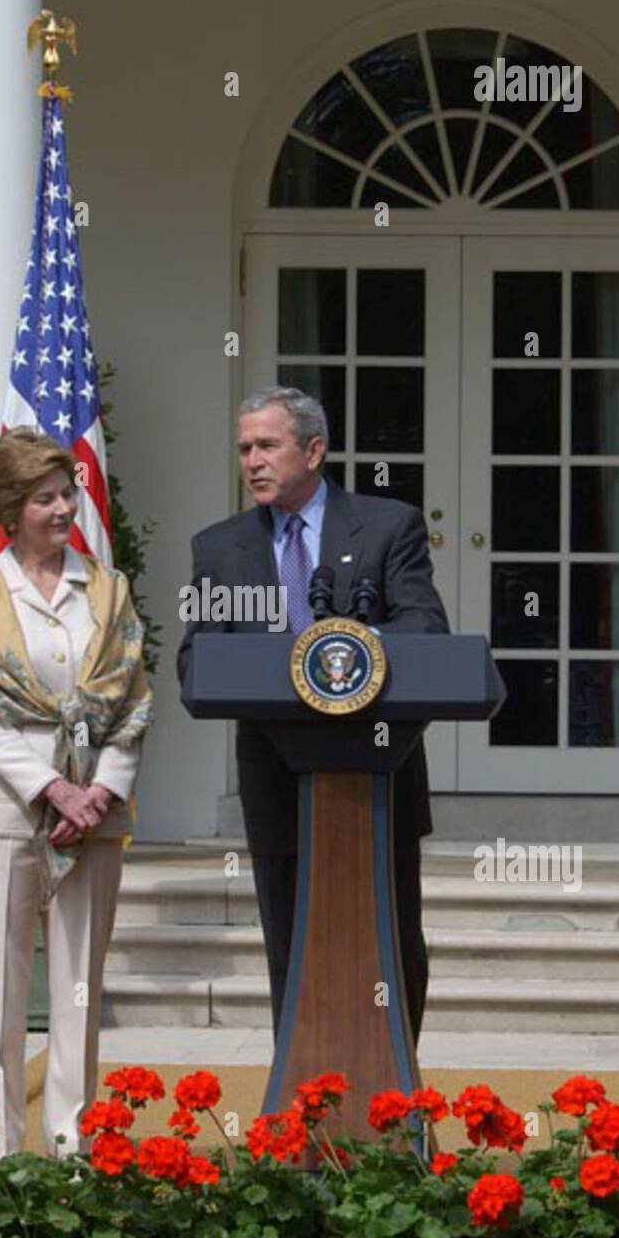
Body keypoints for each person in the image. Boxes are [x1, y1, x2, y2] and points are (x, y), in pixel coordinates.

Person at [176, 387, 449, 1043]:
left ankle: (394, 1083)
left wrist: (351, 650)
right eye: (244, 448)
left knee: (392, 943)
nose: (252, 461)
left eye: (267, 446)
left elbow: (425, 629)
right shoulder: (219, 547)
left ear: (313, 450)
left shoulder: (388, 527)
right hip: (277, 776)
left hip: (377, 773)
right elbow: (195, 662)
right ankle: (301, 1089)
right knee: (290, 943)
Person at [0, 426, 152, 1161]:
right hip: (0, 815)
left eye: (67, 493)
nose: (65, 508)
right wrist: (54, 789)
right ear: (10, 508)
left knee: (79, 989)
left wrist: (99, 793)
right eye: (45, 498)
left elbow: (134, 702)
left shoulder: (108, 590)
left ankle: (72, 1155)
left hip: (95, 818)